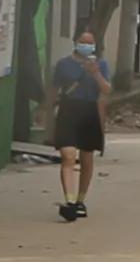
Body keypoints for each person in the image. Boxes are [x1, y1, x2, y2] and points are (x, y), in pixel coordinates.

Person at [45, 34, 112, 220]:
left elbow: (107, 90)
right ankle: (70, 201)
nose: (87, 46)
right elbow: (54, 90)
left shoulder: (102, 65)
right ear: (75, 43)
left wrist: (96, 73)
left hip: (89, 111)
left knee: (87, 157)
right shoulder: (63, 64)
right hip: (68, 110)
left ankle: (81, 199)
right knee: (68, 155)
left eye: (91, 43)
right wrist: (47, 114)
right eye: (83, 42)